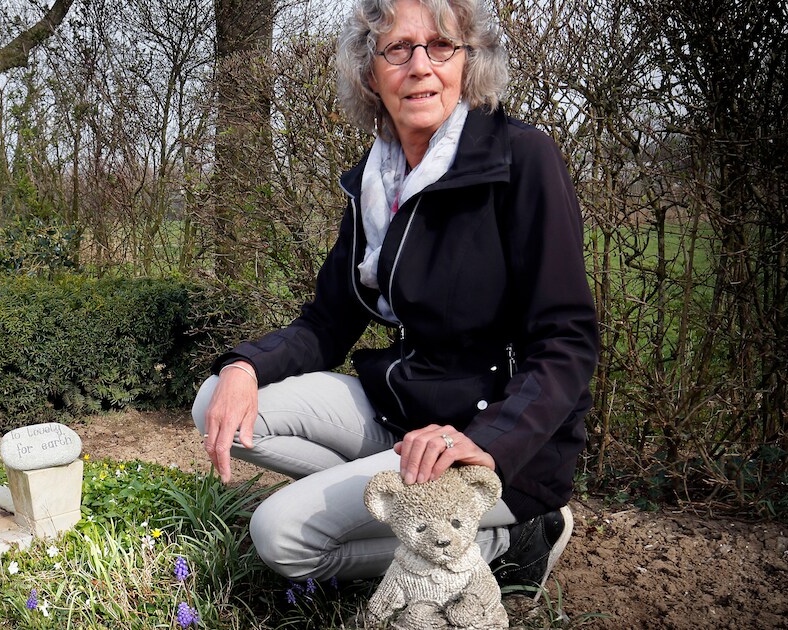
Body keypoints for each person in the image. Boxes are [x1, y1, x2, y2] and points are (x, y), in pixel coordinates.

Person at [191, 0, 599, 595]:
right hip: (405, 412)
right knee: (217, 402)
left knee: (280, 535)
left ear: (469, 62)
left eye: (441, 46)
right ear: (370, 72)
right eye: (397, 49)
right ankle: (402, 508)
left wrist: (485, 443)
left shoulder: (521, 161)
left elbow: (567, 342)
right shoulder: (376, 182)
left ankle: (512, 542)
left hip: (497, 442)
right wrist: (246, 365)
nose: (420, 66)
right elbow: (328, 322)